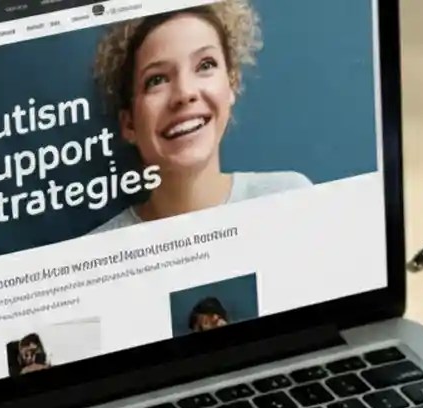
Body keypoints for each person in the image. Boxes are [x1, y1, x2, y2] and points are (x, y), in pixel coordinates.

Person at [88, 0, 311, 235]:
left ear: (232, 84)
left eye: (205, 65)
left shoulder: (291, 200)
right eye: (157, 80)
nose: (184, 93)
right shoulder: (98, 248)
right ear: (129, 124)